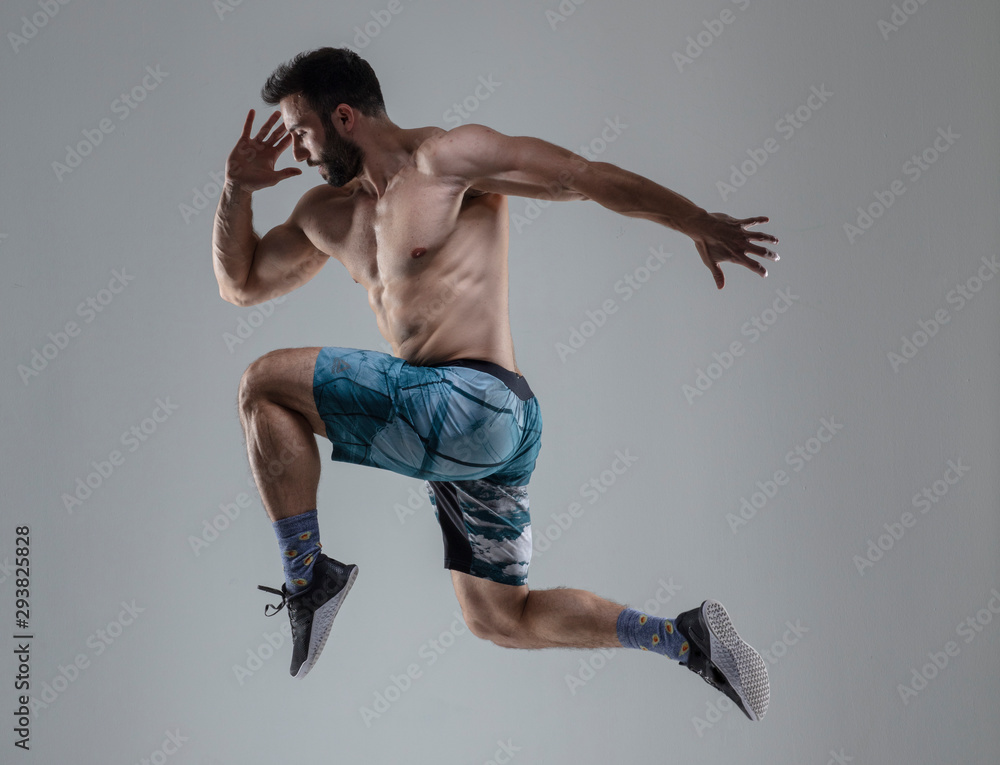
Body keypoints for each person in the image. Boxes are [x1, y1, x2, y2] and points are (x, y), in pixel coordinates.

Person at [212, 46, 778, 721]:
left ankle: (310, 579)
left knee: (262, 384)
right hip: (484, 434)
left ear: (342, 117)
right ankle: (683, 638)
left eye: (301, 132)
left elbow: (583, 176)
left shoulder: (449, 161)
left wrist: (698, 222)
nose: (299, 153)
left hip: (476, 402)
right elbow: (241, 284)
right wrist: (236, 191)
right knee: (499, 617)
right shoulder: (327, 214)